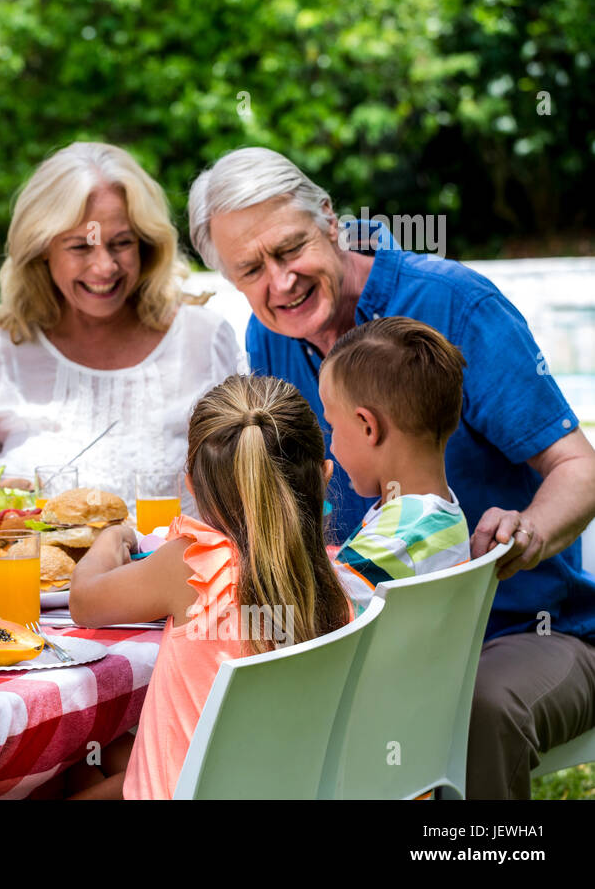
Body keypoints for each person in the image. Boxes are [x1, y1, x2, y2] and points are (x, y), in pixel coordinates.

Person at [188, 145, 595, 798]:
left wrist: (530, 530)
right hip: (361, 637)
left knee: (475, 712)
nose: (281, 281)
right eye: (252, 269)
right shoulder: (270, 338)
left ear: (328, 218)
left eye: (291, 249)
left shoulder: (454, 304)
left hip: (526, 631)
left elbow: (579, 466)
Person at [69, 375, 353, 799]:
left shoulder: (194, 563)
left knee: (65, 773)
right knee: (107, 754)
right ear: (325, 475)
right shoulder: (330, 580)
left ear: (191, 486)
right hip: (271, 786)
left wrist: (112, 538)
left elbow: (83, 601)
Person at [0, 142, 241, 506]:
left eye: (121, 243)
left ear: (145, 244)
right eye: (80, 247)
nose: (105, 267)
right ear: (41, 248)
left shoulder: (203, 338)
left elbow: (244, 494)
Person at [320, 318, 472, 612]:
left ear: (367, 427)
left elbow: (312, 621)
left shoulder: (398, 538)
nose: (332, 444)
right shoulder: (433, 512)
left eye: (332, 426)